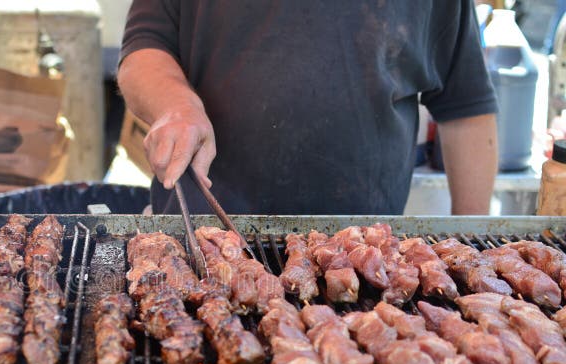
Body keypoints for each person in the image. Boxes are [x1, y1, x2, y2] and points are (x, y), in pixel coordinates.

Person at [118, 1, 499, 215]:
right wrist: (177, 105)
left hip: (365, 261)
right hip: (203, 240)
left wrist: (472, 249)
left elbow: (466, 106)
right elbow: (144, 48)